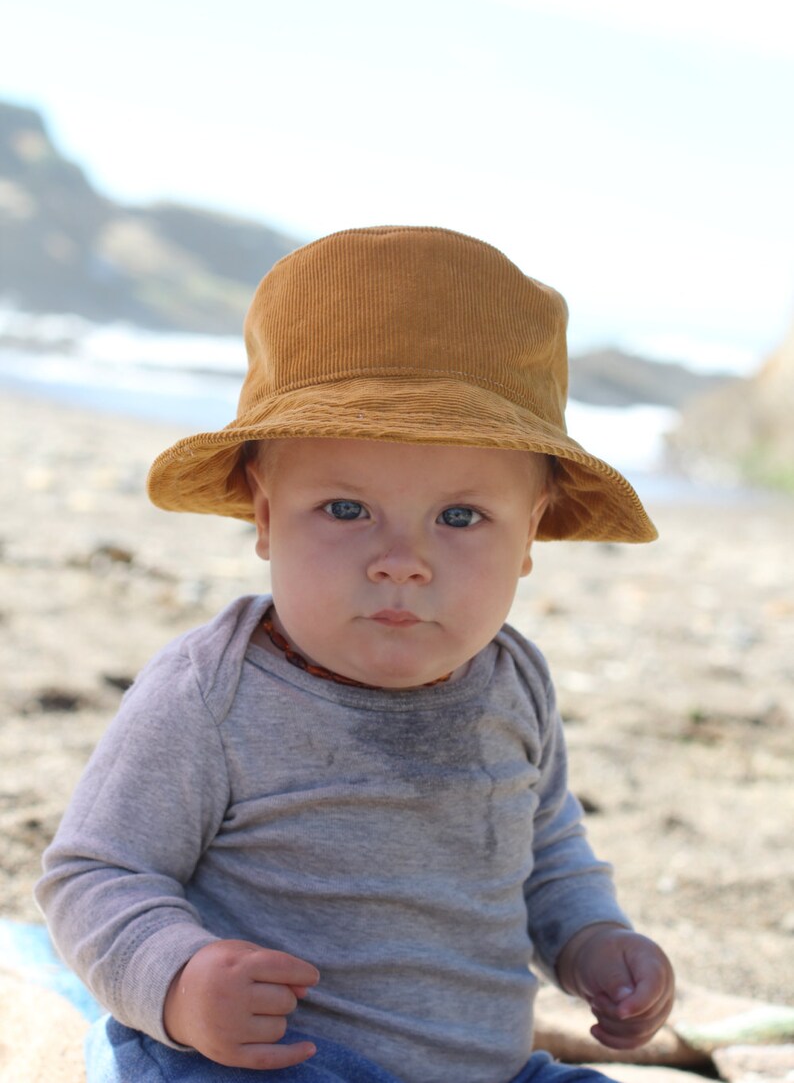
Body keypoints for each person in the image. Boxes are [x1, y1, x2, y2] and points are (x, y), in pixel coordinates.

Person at [36, 226, 675, 1083]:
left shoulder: (514, 682)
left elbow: (548, 855)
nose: (401, 560)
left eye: (459, 517)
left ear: (530, 534)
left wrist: (595, 940)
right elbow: (95, 871)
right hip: (268, 1059)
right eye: (345, 509)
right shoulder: (212, 692)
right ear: (266, 517)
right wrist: (180, 980)